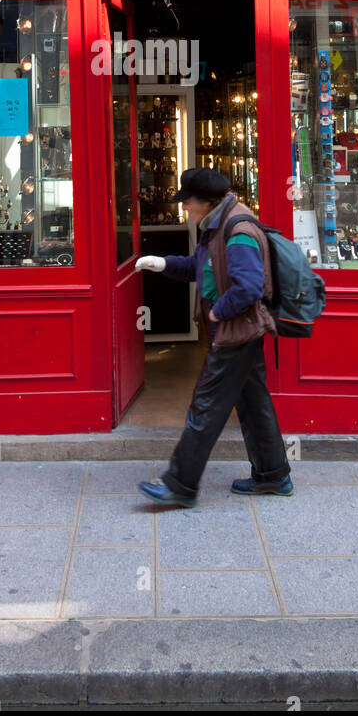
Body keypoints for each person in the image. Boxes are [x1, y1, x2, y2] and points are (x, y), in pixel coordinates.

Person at [135, 167, 293, 508]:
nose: (185, 209)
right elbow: (200, 267)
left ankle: (180, 484)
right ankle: (273, 474)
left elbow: (248, 286)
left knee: (205, 406)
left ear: (206, 201)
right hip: (242, 330)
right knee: (253, 402)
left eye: (188, 202)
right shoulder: (218, 224)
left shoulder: (237, 231)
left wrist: (217, 312)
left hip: (235, 331)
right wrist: (161, 264)